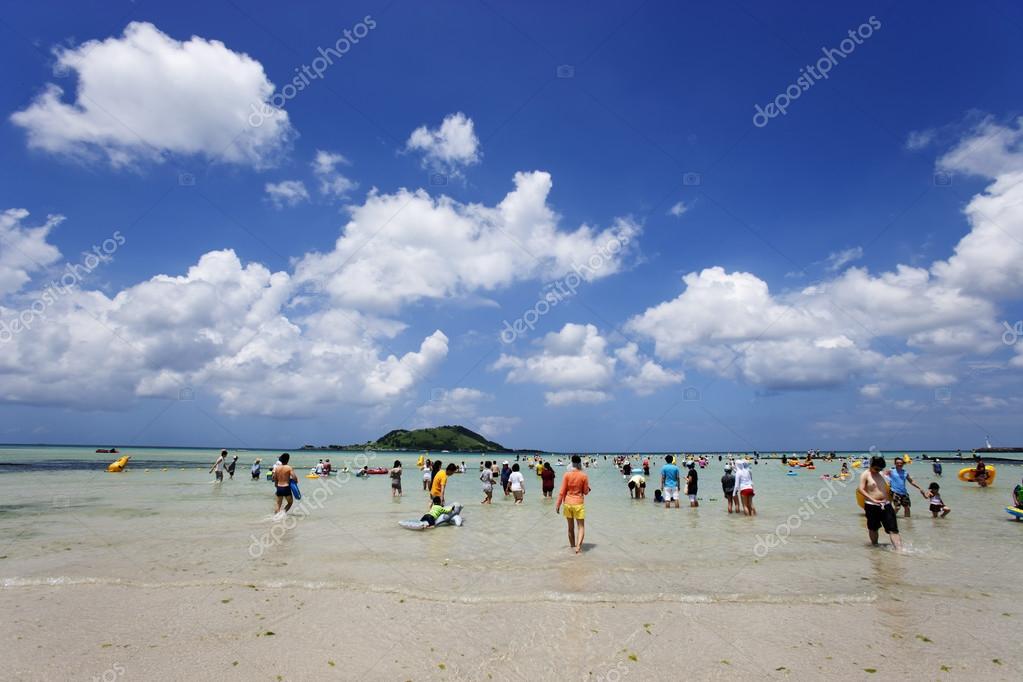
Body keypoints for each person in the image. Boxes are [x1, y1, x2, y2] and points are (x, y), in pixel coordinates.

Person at [858, 455, 902, 550]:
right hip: (871, 505)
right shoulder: (865, 474)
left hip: (886, 504)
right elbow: (861, 489)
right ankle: (875, 547)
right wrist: (872, 499)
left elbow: (888, 485)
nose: (878, 470)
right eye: (876, 469)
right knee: (873, 528)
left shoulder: (881, 474)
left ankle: (899, 550)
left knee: (893, 529)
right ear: (871, 465)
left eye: (880, 469)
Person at [555, 455, 591, 554]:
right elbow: (586, 492)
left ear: (571, 463)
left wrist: (558, 504)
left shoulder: (566, 475)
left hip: (567, 503)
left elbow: (562, 491)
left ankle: (572, 547)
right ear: (580, 463)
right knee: (581, 527)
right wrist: (588, 489)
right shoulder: (584, 475)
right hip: (578, 503)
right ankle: (578, 547)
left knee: (570, 527)